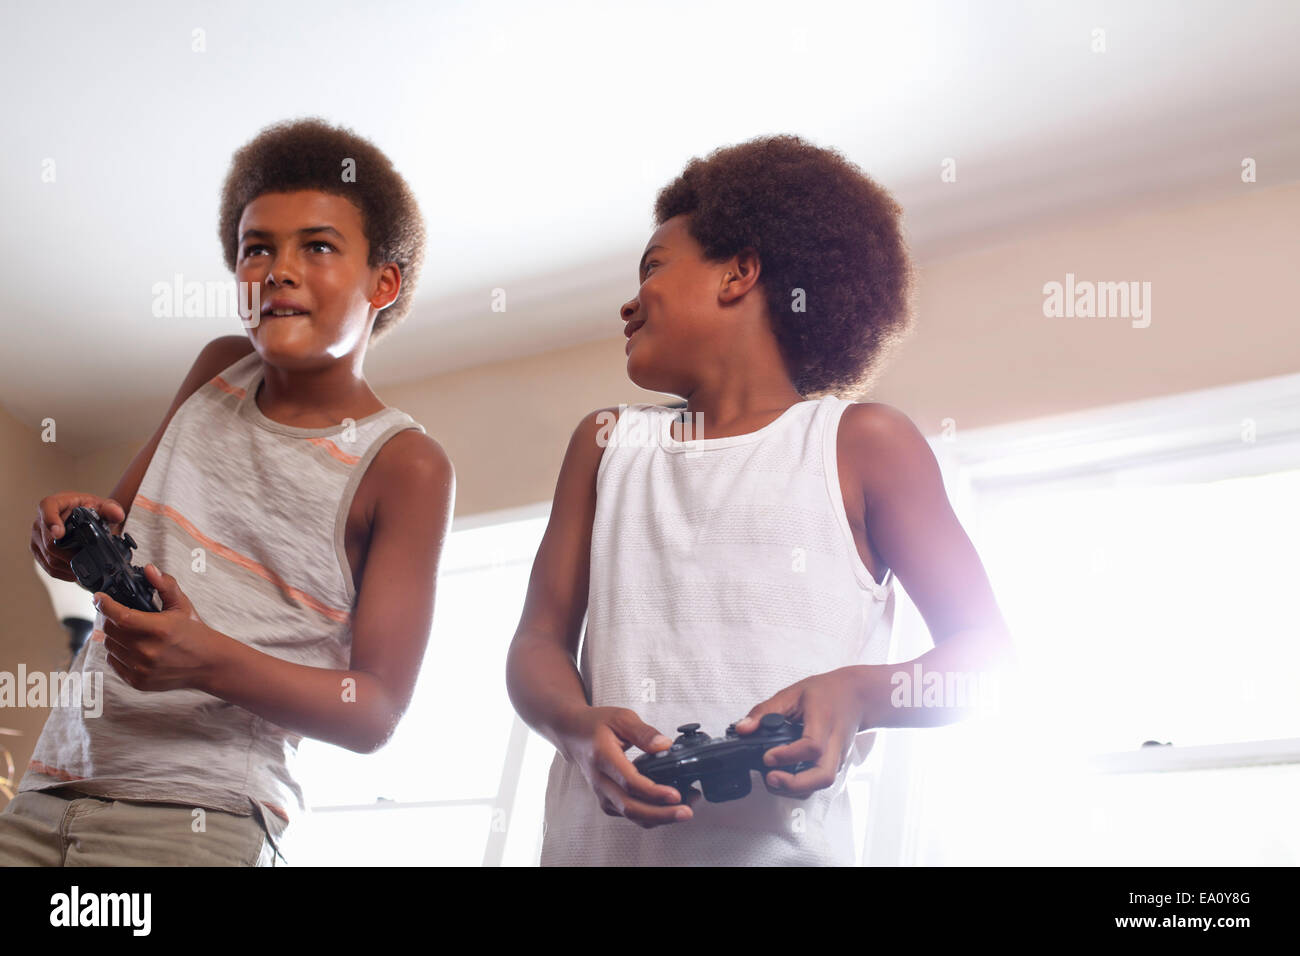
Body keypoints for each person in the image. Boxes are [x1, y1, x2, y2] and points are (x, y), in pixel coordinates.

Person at [506, 134, 1015, 866]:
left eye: (653, 267)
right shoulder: (607, 445)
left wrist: (861, 694)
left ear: (739, 272)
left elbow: (988, 661)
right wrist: (573, 726)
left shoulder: (862, 443)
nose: (628, 301)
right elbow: (537, 644)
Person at [3, 118, 454, 866]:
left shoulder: (405, 465)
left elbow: (373, 711)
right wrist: (66, 535)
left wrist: (207, 660)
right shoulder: (216, 368)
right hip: (49, 791)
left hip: (197, 820)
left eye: (317, 245)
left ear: (385, 281)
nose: (278, 269)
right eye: (257, 248)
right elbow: (116, 541)